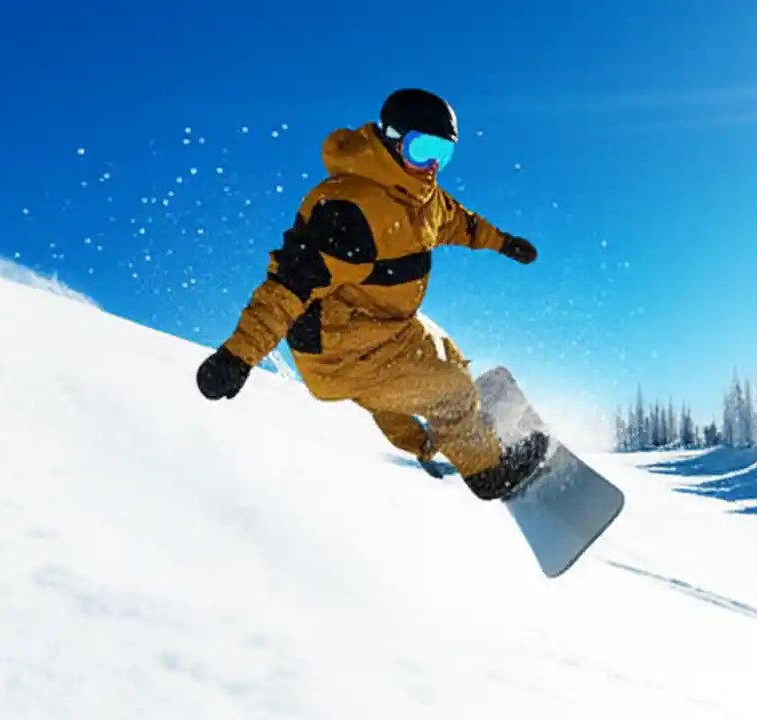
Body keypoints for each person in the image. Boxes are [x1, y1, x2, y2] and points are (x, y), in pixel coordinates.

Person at [196, 88, 548, 501]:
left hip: (384, 326)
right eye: (422, 149)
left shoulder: (425, 198)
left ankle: (434, 441)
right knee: (450, 390)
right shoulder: (347, 211)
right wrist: (238, 355)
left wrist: (504, 243)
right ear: (392, 139)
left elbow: (461, 224)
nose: (432, 165)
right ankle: (489, 473)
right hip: (339, 354)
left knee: (447, 354)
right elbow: (286, 289)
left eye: (444, 153)